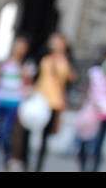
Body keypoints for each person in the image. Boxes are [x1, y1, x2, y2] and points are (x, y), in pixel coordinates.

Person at [13, 31, 76, 172]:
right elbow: (37, 76)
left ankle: (38, 167)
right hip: (39, 99)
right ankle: (24, 162)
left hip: (55, 101)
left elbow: (70, 80)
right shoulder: (44, 58)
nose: (53, 43)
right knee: (26, 130)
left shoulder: (65, 61)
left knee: (44, 138)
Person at [0, 35, 33, 171]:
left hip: (13, 103)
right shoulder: (4, 63)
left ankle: (7, 161)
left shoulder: (25, 65)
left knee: (6, 134)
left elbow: (28, 85)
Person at [78, 48, 106, 171]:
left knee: (100, 141)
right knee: (85, 138)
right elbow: (87, 90)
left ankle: (95, 167)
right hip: (91, 109)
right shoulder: (93, 72)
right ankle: (83, 165)